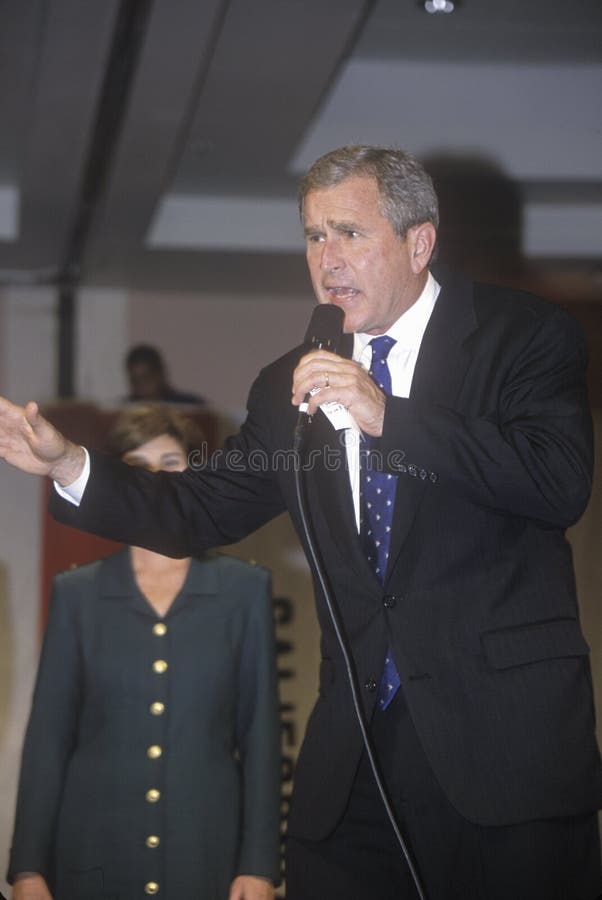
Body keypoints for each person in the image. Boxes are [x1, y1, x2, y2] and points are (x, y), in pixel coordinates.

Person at [1, 144, 601, 900]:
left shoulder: (524, 336)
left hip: (504, 761)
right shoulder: (291, 383)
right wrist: (70, 468)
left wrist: (389, 416)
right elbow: (198, 508)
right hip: (351, 770)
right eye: (314, 236)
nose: (328, 258)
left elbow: (556, 482)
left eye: (349, 232)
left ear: (420, 242)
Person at [6, 406, 280, 900]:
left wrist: (260, 866)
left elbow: (260, 738)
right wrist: (27, 868)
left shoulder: (245, 590)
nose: (156, 477)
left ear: (195, 473)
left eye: (171, 463)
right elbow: (49, 737)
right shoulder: (78, 593)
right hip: (92, 855)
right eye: (139, 465)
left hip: (207, 858)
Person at [125, 343, 205, 405]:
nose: (141, 387)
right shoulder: (125, 411)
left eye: (146, 379)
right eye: (135, 381)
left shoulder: (189, 406)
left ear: (159, 375)